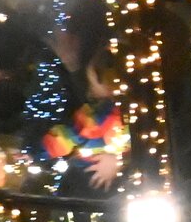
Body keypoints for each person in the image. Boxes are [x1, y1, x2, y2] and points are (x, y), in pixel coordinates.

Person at [40, 43, 129, 191]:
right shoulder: (137, 114)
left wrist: (38, 151)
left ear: (109, 84)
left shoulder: (99, 119)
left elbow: (67, 137)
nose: (90, 89)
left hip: (90, 182)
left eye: (93, 83)